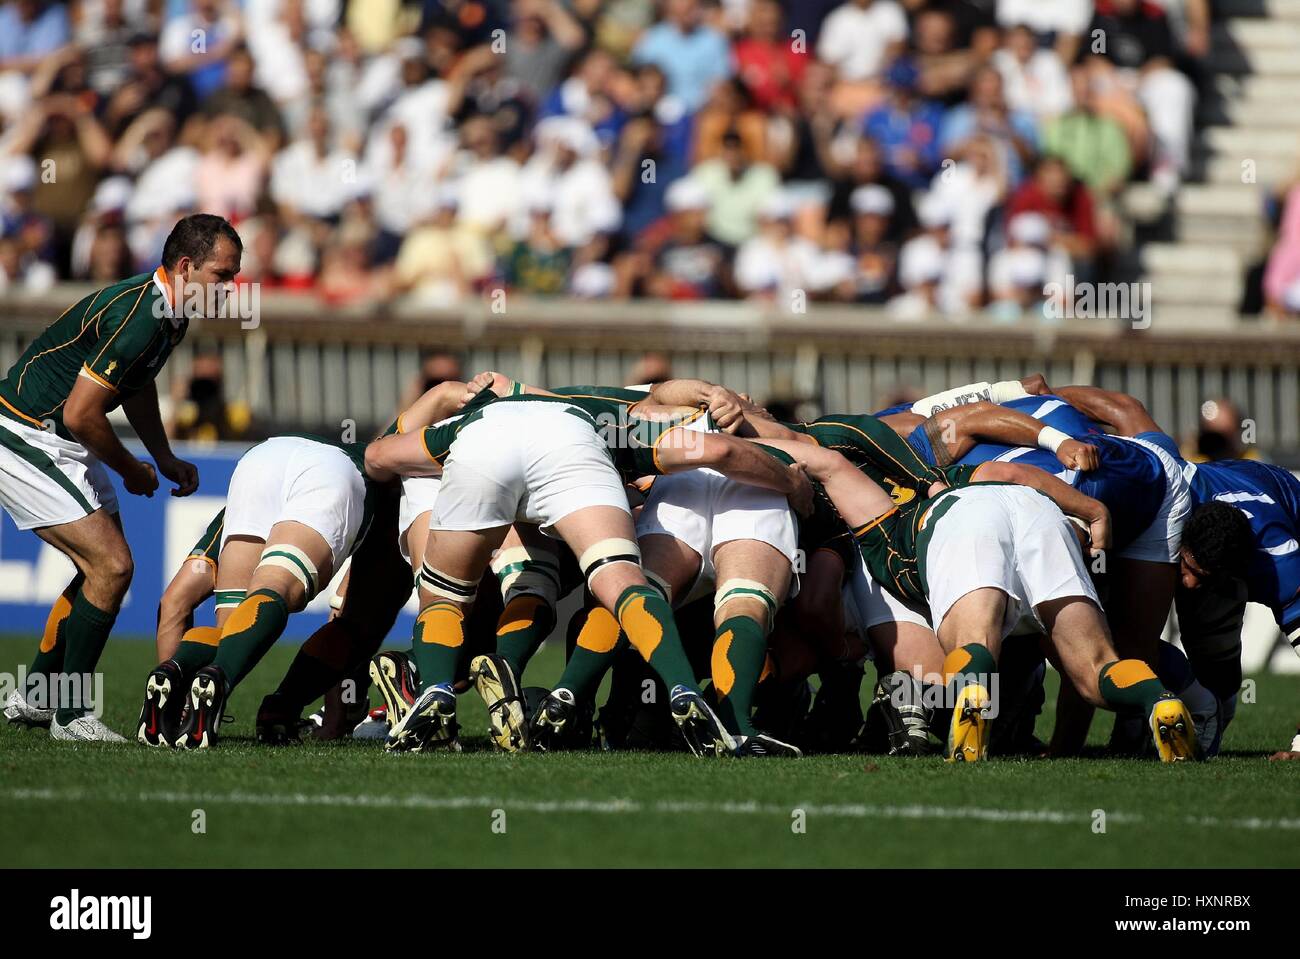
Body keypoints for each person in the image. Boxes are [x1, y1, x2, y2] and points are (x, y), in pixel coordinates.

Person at [0, 213, 239, 740]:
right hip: (23, 433)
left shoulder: (170, 311)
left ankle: (39, 699)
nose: (231, 289)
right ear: (184, 266)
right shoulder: (143, 316)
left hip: (54, 436)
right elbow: (85, 414)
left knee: (100, 571)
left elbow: (135, 385)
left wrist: (164, 455)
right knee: (112, 566)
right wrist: (131, 468)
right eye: (223, 275)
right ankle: (71, 714)